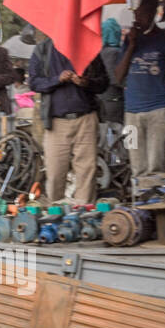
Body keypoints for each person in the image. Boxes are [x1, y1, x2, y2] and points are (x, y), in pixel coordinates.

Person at [27, 35, 108, 204]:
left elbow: (103, 83)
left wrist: (87, 83)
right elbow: (34, 83)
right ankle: (56, 214)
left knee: (87, 170)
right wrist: (57, 79)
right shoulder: (43, 50)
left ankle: (85, 215)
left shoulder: (88, 46)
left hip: (85, 118)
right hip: (56, 122)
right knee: (55, 171)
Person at [116, 0, 165, 176]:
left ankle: (154, 198)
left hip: (158, 112)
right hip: (131, 114)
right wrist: (132, 45)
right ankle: (140, 200)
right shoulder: (129, 40)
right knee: (136, 165)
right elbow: (119, 76)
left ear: (153, 13)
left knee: (156, 165)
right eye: (136, 13)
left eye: (143, 13)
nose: (138, 18)